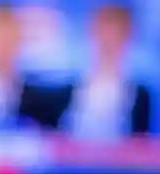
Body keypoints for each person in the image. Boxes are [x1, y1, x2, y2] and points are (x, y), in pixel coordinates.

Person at [61, 2, 153, 138]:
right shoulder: (69, 88)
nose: (108, 39)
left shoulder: (141, 94)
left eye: (116, 31)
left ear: (127, 36)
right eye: (103, 29)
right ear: (92, 31)